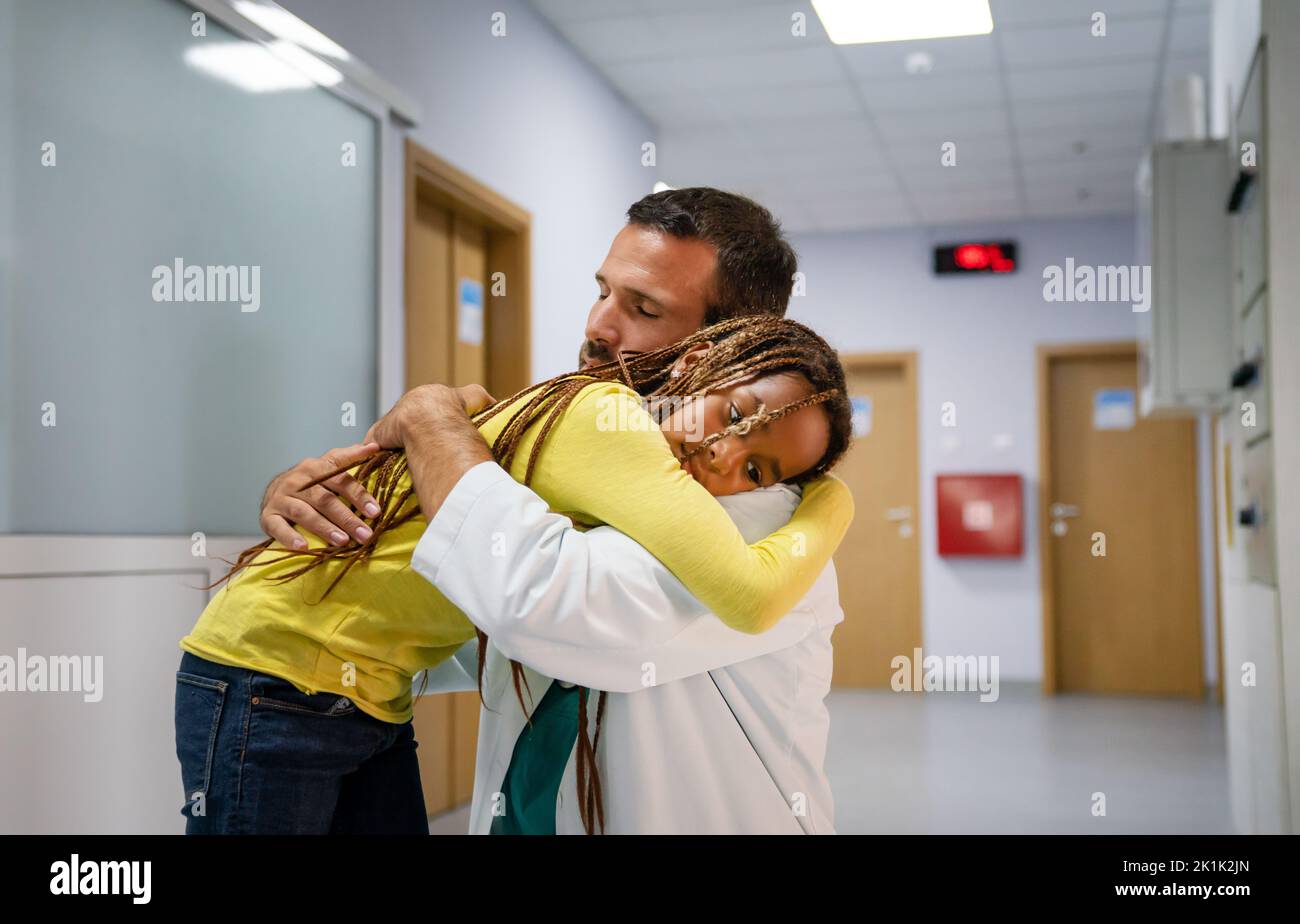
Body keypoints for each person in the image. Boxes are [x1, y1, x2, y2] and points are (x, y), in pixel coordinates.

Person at [258, 187, 852, 833]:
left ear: (719, 342)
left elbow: (537, 605)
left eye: (644, 307)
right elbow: (459, 627)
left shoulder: (760, 518)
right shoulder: (602, 457)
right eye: (603, 291)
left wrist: (432, 419)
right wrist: (321, 504)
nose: (599, 325)